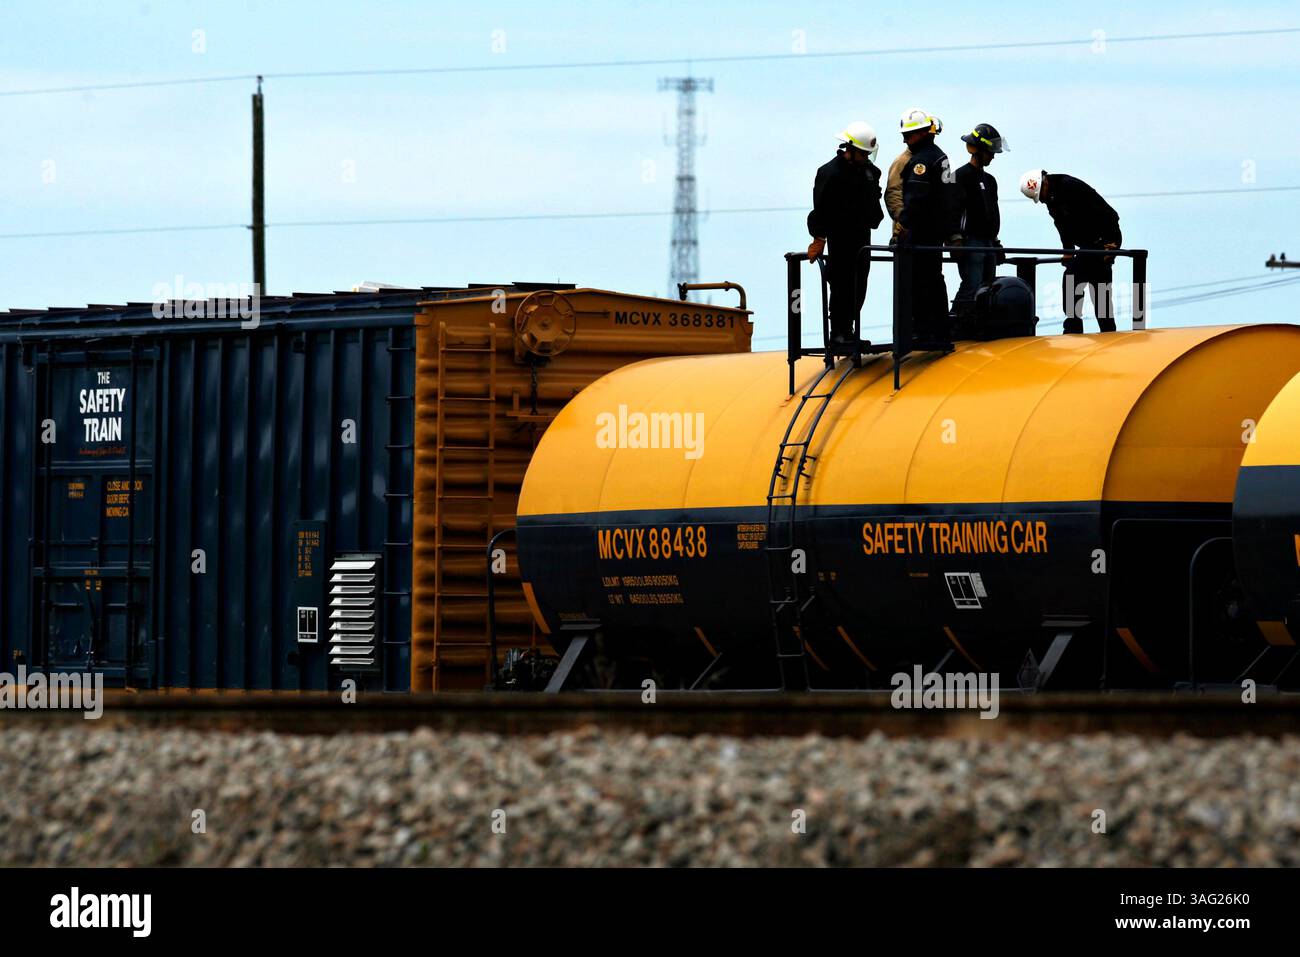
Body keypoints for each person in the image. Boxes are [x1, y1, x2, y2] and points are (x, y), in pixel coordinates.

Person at [807, 121, 885, 350]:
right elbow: (820, 208)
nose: (866, 158)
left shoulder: (870, 172)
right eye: (862, 153)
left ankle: (849, 329)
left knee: (860, 283)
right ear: (849, 149)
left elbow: (874, 204)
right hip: (840, 238)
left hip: (862, 236)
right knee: (841, 284)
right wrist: (818, 238)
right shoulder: (830, 173)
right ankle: (839, 333)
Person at [1020, 169, 1122, 333]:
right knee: (1098, 282)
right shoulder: (1051, 197)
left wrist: (1113, 243)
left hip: (1103, 239)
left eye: (1041, 195)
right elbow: (1061, 224)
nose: (1042, 201)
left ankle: (1074, 327)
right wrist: (1068, 250)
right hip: (1090, 244)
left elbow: (1102, 212)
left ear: (1044, 183)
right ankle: (1106, 330)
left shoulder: (1068, 187)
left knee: (1073, 277)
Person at [896, 107, 960, 341]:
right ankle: (939, 328)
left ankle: (922, 331)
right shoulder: (942, 157)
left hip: (921, 233)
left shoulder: (921, 162)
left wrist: (902, 226)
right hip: (936, 233)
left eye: (908, 135)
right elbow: (949, 196)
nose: (905, 140)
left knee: (919, 281)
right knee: (934, 278)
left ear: (923, 133)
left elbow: (916, 200)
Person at [951, 123, 1008, 316]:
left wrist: (996, 242)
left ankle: (979, 326)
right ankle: (955, 323)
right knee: (971, 286)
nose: (993, 156)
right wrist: (956, 239)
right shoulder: (959, 176)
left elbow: (991, 213)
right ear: (979, 150)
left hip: (988, 243)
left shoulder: (990, 181)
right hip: (970, 241)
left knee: (986, 288)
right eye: (990, 152)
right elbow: (953, 210)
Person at [885, 113, 941, 244]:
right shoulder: (902, 161)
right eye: (904, 136)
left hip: (931, 233)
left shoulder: (935, 159)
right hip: (908, 235)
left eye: (907, 136)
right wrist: (904, 222)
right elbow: (893, 193)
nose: (905, 140)